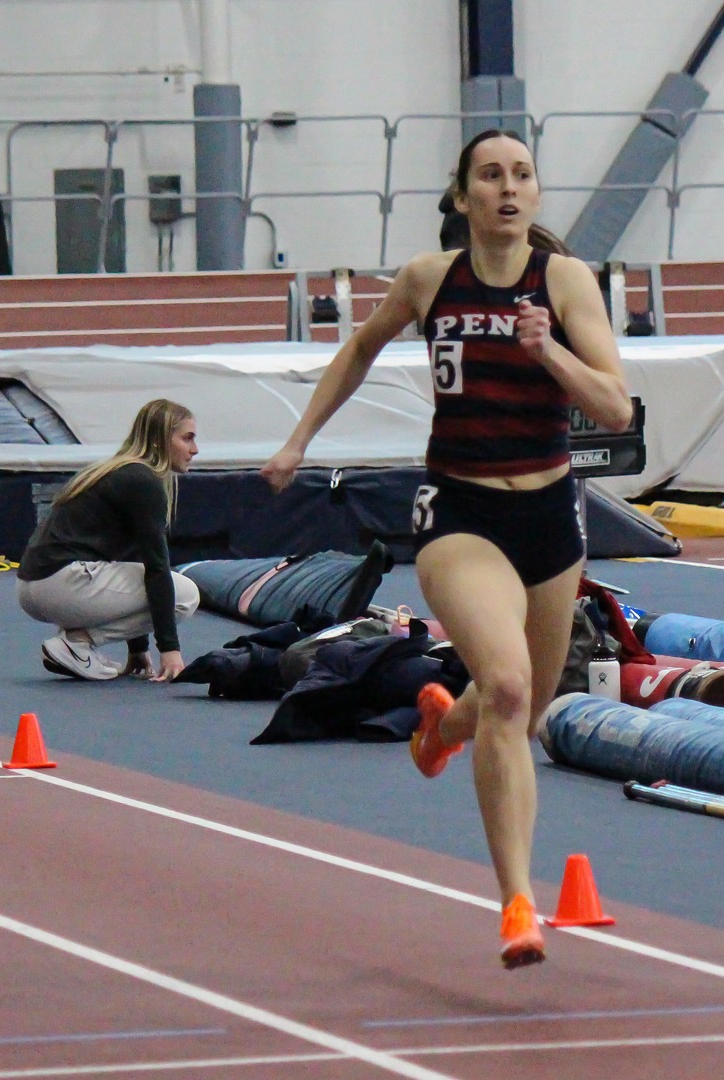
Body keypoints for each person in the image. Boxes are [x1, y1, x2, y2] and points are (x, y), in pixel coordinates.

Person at [260, 129, 632, 968]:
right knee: (504, 686)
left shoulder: (564, 281)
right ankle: (518, 904)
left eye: (522, 175)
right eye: (490, 176)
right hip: (458, 512)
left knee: (524, 710)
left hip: (548, 517)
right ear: (463, 196)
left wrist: (550, 352)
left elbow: (614, 408)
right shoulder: (431, 280)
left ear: (536, 195)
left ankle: (438, 730)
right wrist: (299, 441)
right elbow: (358, 350)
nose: (508, 188)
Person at [17, 399, 202, 683]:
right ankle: (77, 643)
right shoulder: (144, 482)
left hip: (33, 587)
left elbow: (131, 563)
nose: (195, 449)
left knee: (161, 583)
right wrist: (170, 649)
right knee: (186, 595)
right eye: (187, 438)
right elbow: (155, 567)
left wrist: (138, 649)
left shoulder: (117, 471)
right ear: (159, 440)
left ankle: (76, 643)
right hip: (63, 583)